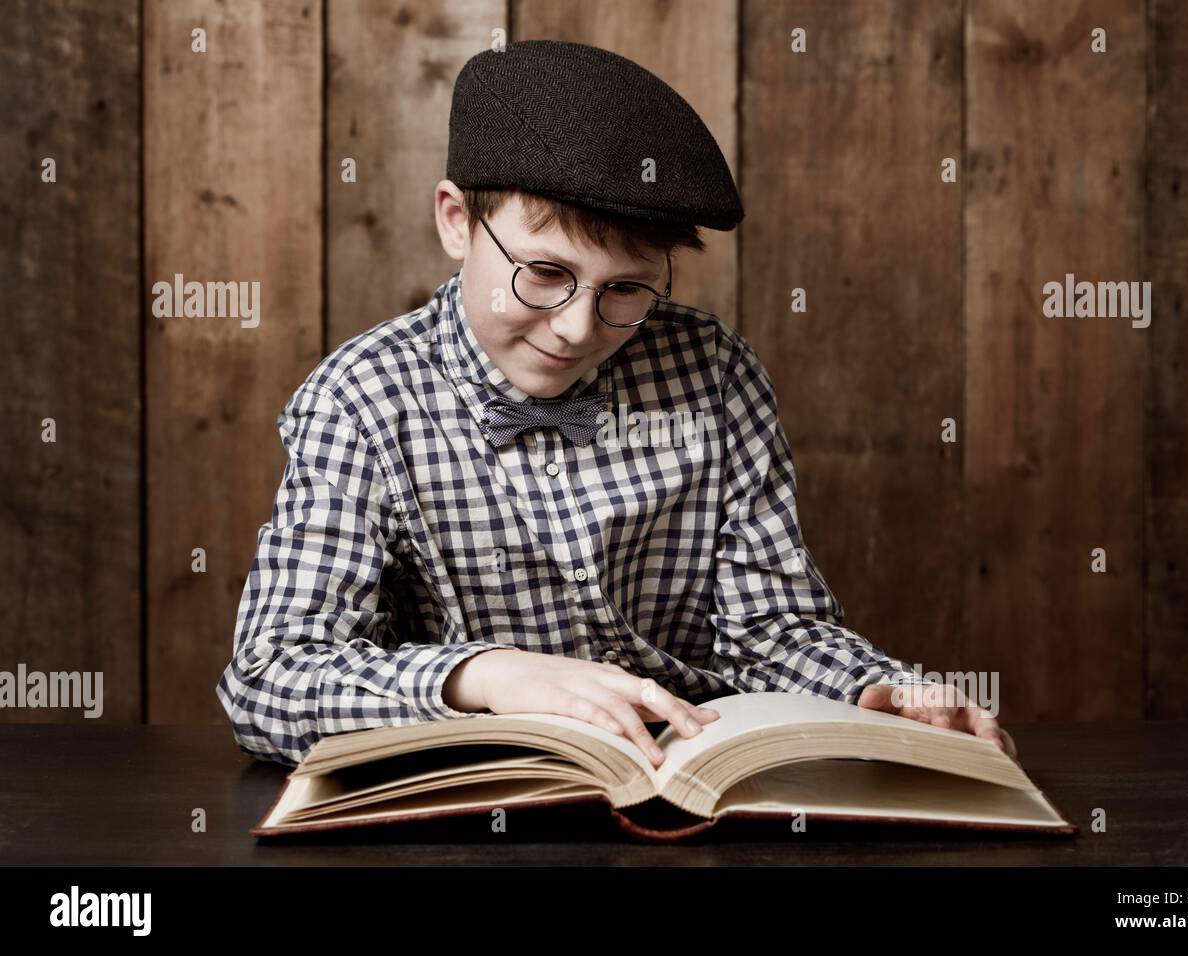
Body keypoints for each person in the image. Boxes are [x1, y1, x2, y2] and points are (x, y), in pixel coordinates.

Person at [216, 39, 1015, 769]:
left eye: (625, 290)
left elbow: (771, 629)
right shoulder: (360, 401)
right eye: (545, 273)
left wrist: (875, 688)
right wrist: (485, 674)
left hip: (692, 781)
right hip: (472, 806)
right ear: (457, 221)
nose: (575, 328)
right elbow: (270, 676)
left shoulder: (714, 373)